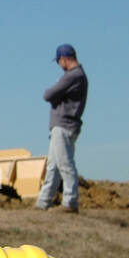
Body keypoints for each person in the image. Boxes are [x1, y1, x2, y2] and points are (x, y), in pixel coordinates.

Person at [34, 44, 88, 213]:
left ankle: (70, 202)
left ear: (64, 59)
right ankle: (42, 202)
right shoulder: (77, 76)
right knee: (53, 166)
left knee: (65, 164)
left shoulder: (73, 76)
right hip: (63, 125)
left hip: (64, 125)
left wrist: (55, 93)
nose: (59, 65)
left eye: (59, 61)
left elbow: (48, 95)